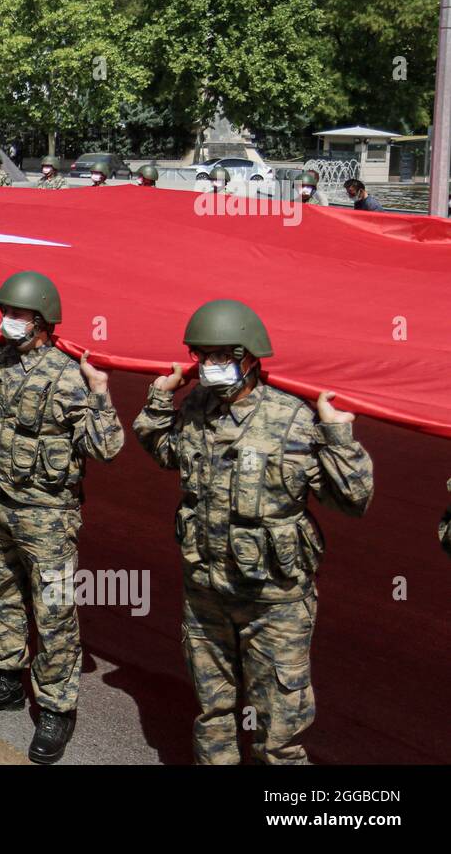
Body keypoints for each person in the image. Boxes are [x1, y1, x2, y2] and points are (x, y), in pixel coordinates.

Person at [133, 299, 373, 764]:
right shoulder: (198, 408)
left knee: (279, 732)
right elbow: (164, 451)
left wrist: (339, 436)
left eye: (220, 356)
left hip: (274, 602)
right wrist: (161, 398)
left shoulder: (293, 419)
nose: (208, 367)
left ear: (249, 358)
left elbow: (354, 499)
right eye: (202, 357)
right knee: (212, 713)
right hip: (206, 593)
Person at [0, 272, 124, 764]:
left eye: (18, 314)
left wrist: (100, 394)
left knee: (54, 614)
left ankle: (55, 708)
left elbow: (106, 448)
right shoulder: (2, 361)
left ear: (43, 320)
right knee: (1, 597)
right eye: (5, 312)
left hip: (47, 516)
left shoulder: (69, 375)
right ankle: (7, 680)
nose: (8, 321)